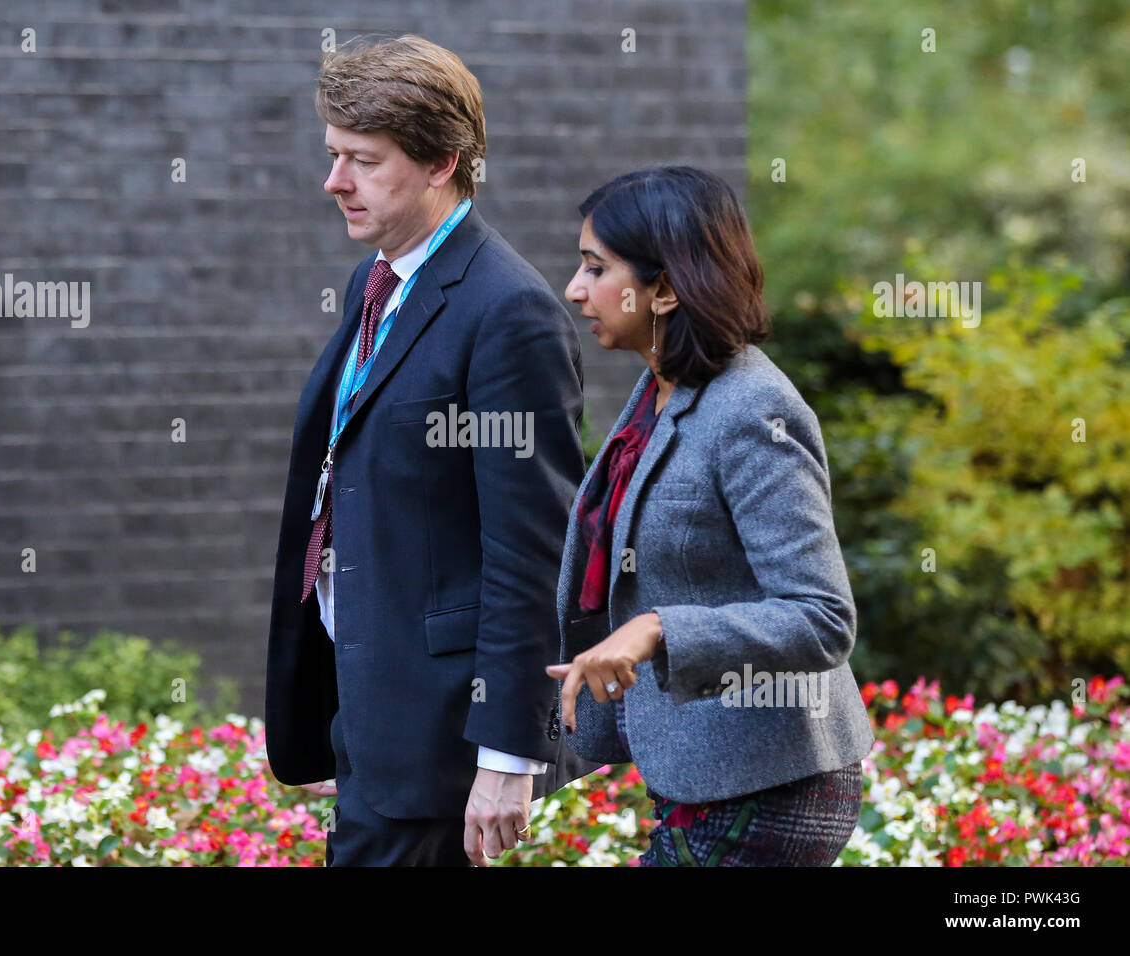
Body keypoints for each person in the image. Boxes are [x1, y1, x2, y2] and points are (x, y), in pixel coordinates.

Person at [266, 34, 599, 867]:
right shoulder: (375, 281)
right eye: (334, 154)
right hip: (371, 712)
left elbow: (532, 550)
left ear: (444, 162)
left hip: (443, 740)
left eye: (363, 161)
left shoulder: (508, 312)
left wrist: (507, 757)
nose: (334, 182)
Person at [547, 166, 875, 866]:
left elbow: (822, 615)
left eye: (595, 268)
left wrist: (659, 629)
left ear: (664, 288)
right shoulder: (660, 391)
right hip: (711, 771)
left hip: (773, 781)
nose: (576, 290)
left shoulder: (753, 411)